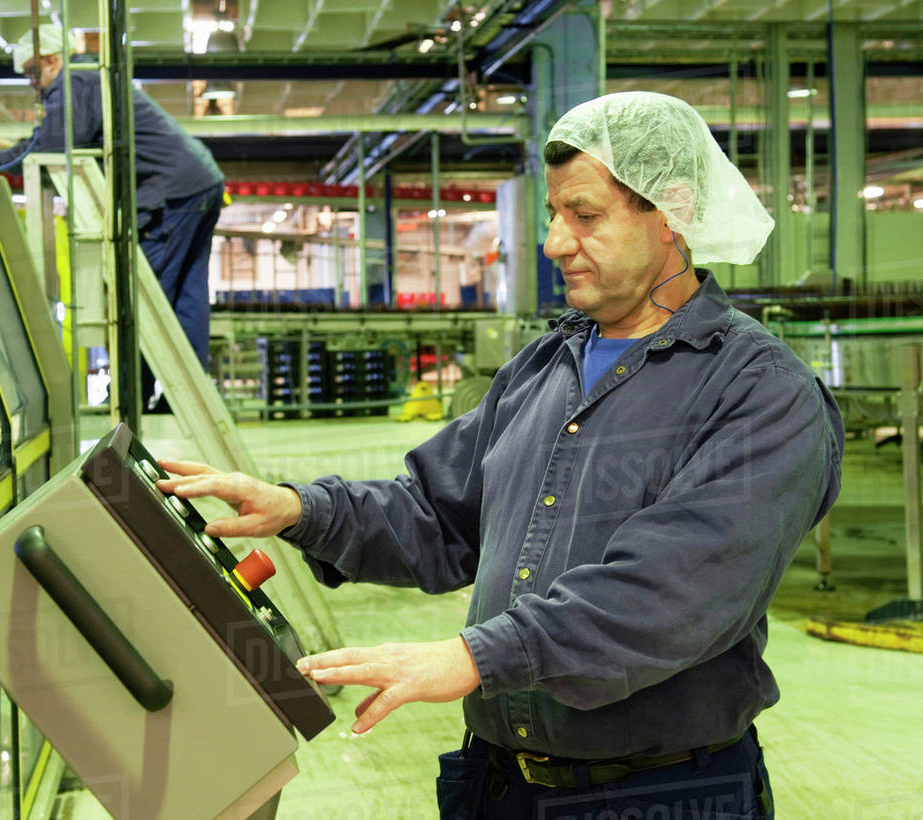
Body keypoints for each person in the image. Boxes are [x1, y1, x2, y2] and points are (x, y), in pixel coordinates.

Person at [156, 91, 843, 819]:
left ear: (671, 211)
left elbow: (671, 592)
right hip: (500, 786)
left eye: (584, 216)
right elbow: (438, 515)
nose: (552, 242)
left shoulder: (759, 392)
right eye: (554, 215)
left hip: (658, 793)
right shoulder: (544, 366)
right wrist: (299, 508)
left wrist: (477, 656)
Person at [0, 24, 225, 379]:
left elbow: (52, 147)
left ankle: (143, 396)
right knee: (186, 295)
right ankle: (188, 389)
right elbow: (57, 136)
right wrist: (5, 151)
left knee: (146, 301)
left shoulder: (74, 83)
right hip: (198, 182)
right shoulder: (86, 80)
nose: (30, 83)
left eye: (31, 72)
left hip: (173, 193)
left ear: (51, 61)